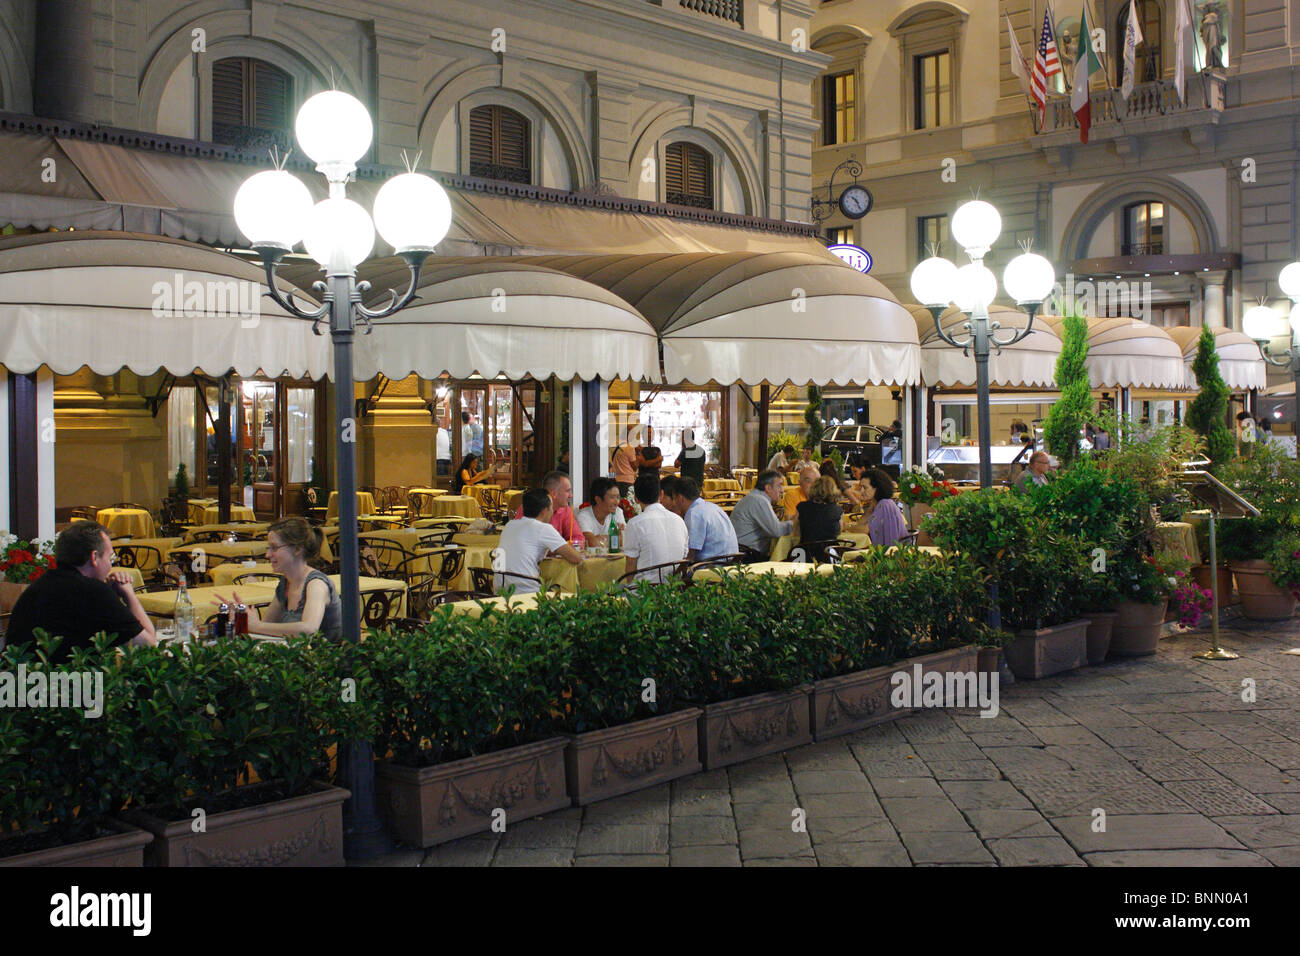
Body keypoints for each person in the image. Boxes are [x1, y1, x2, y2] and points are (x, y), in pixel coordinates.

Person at [5, 522, 156, 661]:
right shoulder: (94, 592)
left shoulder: (40, 585)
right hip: (65, 686)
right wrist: (128, 593)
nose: (111, 566)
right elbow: (147, 644)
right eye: (110, 558)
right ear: (94, 557)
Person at [222, 518, 341, 641]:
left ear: (298, 549)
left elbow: (309, 629)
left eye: (274, 548)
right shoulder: (285, 584)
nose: (268, 555)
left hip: (322, 658)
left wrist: (256, 626)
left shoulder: (316, 584)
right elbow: (266, 627)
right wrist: (242, 618)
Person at [497, 487, 582, 594]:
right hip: (526, 591)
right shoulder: (543, 529)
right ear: (544, 511)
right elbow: (576, 558)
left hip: (500, 589)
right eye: (551, 507)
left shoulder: (510, 525)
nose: (553, 511)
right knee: (565, 592)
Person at [623, 473, 690, 583]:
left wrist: (630, 590)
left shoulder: (635, 524)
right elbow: (683, 559)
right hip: (673, 590)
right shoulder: (679, 520)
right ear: (661, 494)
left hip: (644, 593)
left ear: (636, 499)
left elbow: (631, 564)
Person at [667, 476, 738, 562]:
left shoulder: (693, 513)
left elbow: (690, 554)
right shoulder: (714, 507)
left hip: (711, 569)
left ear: (681, 498)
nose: (674, 503)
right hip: (732, 564)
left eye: (674, 499)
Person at [729, 470, 793, 559]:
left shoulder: (754, 498)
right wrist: (796, 523)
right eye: (779, 485)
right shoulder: (759, 500)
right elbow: (776, 531)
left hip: (743, 552)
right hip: (746, 557)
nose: (782, 490)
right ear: (768, 488)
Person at [512, 470, 582, 543]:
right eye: (567, 491)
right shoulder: (528, 507)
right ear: (554, 494)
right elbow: (520, 539)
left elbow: (578, 538)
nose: (571, 495)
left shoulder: (565, 509)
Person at [797, 476, 845, 560]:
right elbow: (839, 532)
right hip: (830, 555)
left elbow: (795, 531)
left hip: (806, 555)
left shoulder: (802, 507)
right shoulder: (837, 510)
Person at [865, 468, 910, 548]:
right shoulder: (886, 503)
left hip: (891, 552)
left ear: (877, 488)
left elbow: (866, 529)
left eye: (865, 488)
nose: (861, 491)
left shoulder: (884, 505)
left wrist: (848, 527)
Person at [578, 476, 627, 546]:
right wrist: (614, 539)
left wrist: (600, 539)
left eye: (618, 497)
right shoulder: (584, 516)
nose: (617, 502)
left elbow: (624, 541)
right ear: (598, 499)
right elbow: (592, 543)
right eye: (612, 497)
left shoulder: (617, 512)